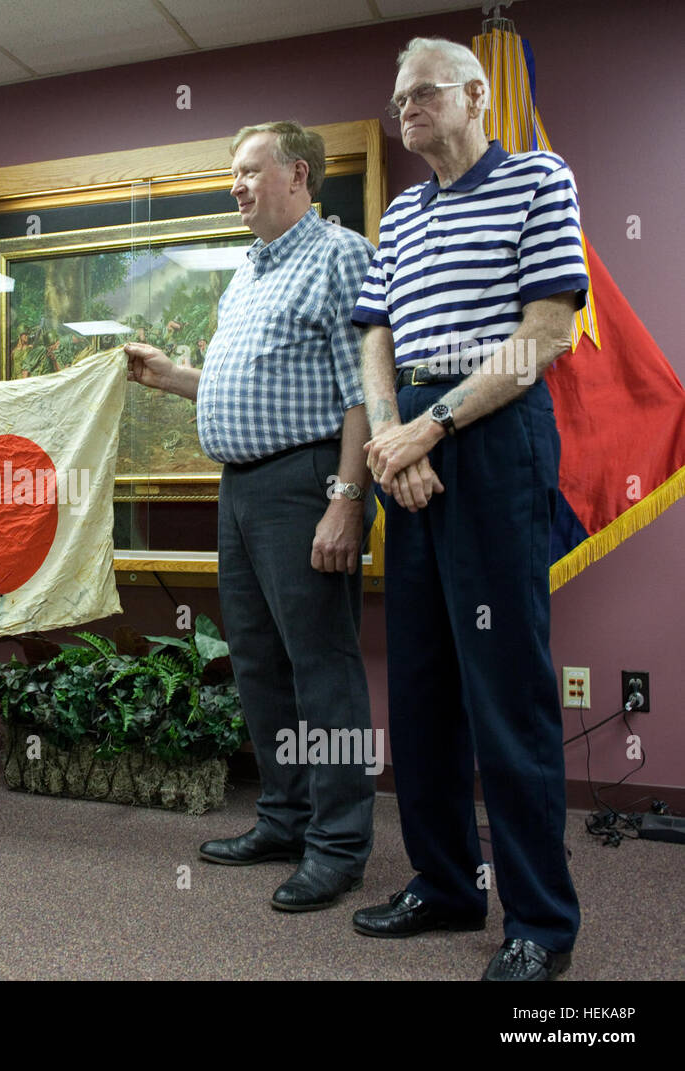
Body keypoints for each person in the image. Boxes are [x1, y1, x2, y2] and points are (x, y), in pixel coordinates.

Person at [350, 37, 585, 981]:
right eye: (398, 98)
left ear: (477, 93)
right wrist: (388, 437)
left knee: (507, 687)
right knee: (421, 684)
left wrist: (430, 428)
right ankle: (446, 883)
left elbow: (545, 334)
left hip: (491, 434)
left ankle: (539, 921)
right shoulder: (400, 213)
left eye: (422, 93)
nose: (405, 108)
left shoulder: (539, 179)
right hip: (409, 432)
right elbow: (374, 334)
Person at [126, 122, 377, 912]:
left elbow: (362, 390)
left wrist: (346, 499)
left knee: (322, 666)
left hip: (305, 484)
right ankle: (284, 818)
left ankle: (338, 844)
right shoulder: (248, 272)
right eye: (230, 173)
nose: (234, 184)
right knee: (261, 666)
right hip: (240, 490)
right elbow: (251, 386)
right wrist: (174, 377)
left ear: (298, 173)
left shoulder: (338, 255)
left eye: (248, 170)